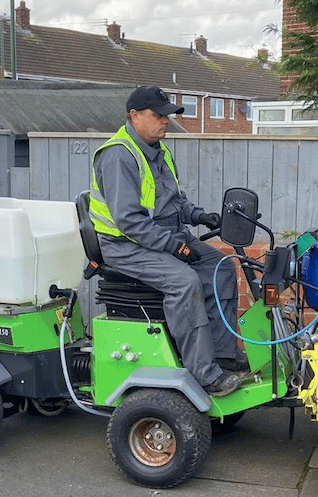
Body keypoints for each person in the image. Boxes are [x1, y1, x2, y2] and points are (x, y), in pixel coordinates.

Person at [89, 85, 247, 397]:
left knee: (222, 268)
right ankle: (204, 374)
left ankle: (222, 354)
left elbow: (173, 202)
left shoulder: (158, 152)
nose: (165, 121)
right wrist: (175, 247)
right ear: (135, 116)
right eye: (158, 115)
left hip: (163, 237)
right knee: (184, 281)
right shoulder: (119, 156)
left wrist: (200, 216)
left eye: (167, 115)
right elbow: (129, 221)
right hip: (125, 247)